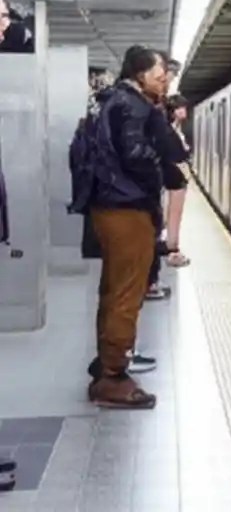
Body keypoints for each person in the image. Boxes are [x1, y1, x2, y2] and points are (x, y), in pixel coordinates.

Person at [84, 46, 168, 409]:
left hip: (109, 204)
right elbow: (134, 154)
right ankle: (114, 376)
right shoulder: (131, 104)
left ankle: (105, 362)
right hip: (126, 207)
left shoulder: (111, 100)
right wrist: (162, 172)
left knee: (113, 289)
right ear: (139, 75)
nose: (165, 81)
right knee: (127, 294)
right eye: (160, 74)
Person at [161, 95, 192, 268]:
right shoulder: (168, 131)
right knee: (173, 216)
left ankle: (172, 247)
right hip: (173, 180)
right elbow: (174, 155)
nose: (184, 111)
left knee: (174, 216)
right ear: (174, 111)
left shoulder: (173, 129)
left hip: (176, 179)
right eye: (181, 107)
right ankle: (172, 250)